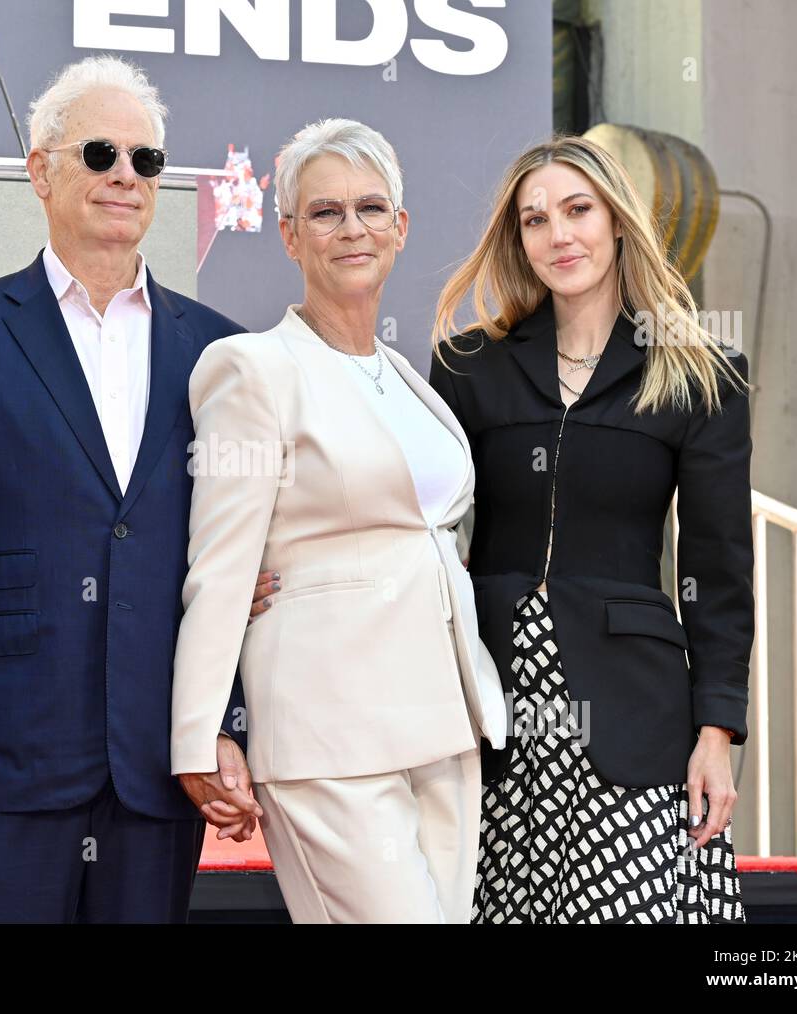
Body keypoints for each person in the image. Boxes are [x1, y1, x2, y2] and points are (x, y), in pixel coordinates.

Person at [0, 55, 251, 924]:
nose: (125, 177)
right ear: (41, 171)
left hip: (159, 764)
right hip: (1, 769)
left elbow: (239, 558)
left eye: (146, 161)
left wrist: (229, 723)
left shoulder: (221, 352)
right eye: (101, 153)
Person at [173, 118, 506, 924]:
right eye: (324, 212)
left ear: (401, 227)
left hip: (444, 722)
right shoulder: (252, 369)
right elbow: (220, 566)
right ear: (288, 235)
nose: (350, 228)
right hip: (328, 733)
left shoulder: (406, 376)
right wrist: (201, 733)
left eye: (369, 207)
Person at [428, 136, 751, 922]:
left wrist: (718, 731)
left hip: (634, 715)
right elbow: (424, 527)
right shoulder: (470, 365)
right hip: (492, 713)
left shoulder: (700, 371)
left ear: (617, 222)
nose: (558, 235)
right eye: (535, 220)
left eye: (578, 210)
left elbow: (718, 568)